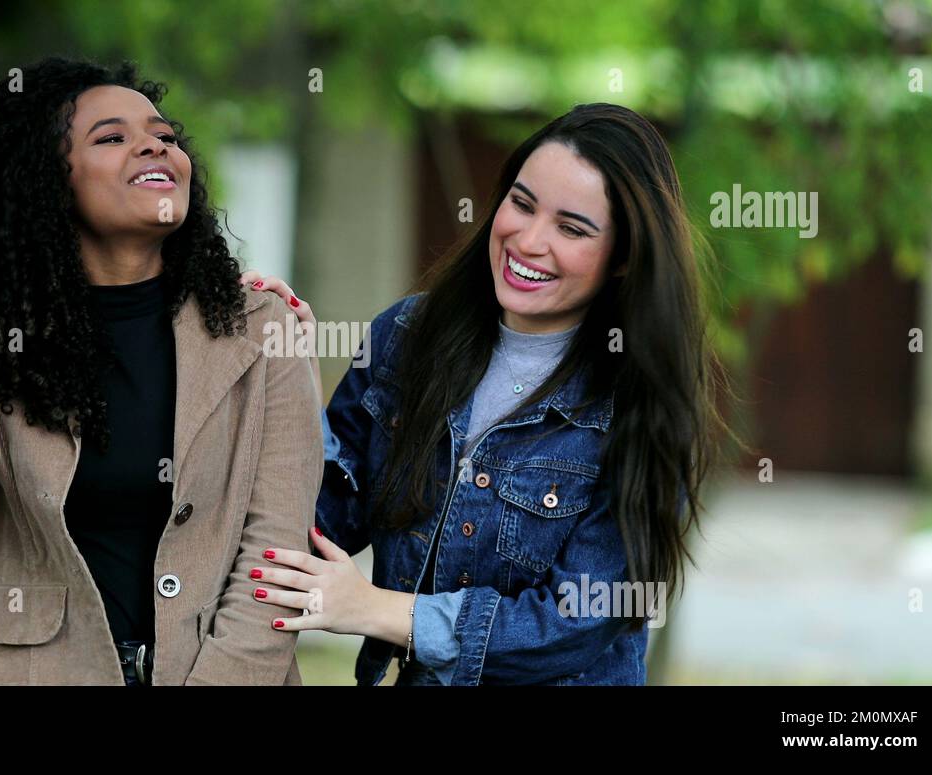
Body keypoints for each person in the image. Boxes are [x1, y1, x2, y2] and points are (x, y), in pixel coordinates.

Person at [0, 52, 323, 685]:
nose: (154, 148)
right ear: (47, 179)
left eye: (164, 137)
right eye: (112, 137)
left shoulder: (265, 329)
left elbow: (275, 564)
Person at [245, 103, 732, 685]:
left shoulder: (635, 407)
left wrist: (373, 608)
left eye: (572, 229)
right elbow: (325, 517)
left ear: (623, 258)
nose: (528, 240)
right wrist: (288, 373)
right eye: (522, 204)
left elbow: (572, 624)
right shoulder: (406, 337)